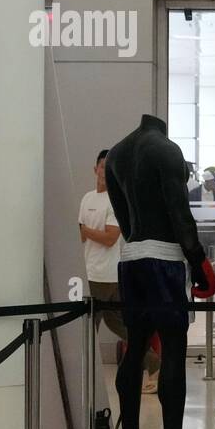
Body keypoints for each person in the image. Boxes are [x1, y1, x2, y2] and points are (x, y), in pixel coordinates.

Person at [104, 114, 215, 429]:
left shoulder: (117, 154)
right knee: (172, 347)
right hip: (164, 258)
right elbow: (179, 213)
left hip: (132, 255)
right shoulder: (166, 149)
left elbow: (123, 216)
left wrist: (139, 242)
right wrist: (198, 261)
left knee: (135, 344)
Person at [80, 149, 160, 396]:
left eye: (108, 168)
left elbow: (110, 238)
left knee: (88, 326)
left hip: (106, 275)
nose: (104, 172)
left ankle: (82, 375)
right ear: (95, 169)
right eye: (101, 166)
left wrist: (85, 230)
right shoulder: (86, 198)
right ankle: (153, 363)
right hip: (90, 271)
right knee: (118, 324)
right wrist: (85, 231)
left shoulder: (116, 200)